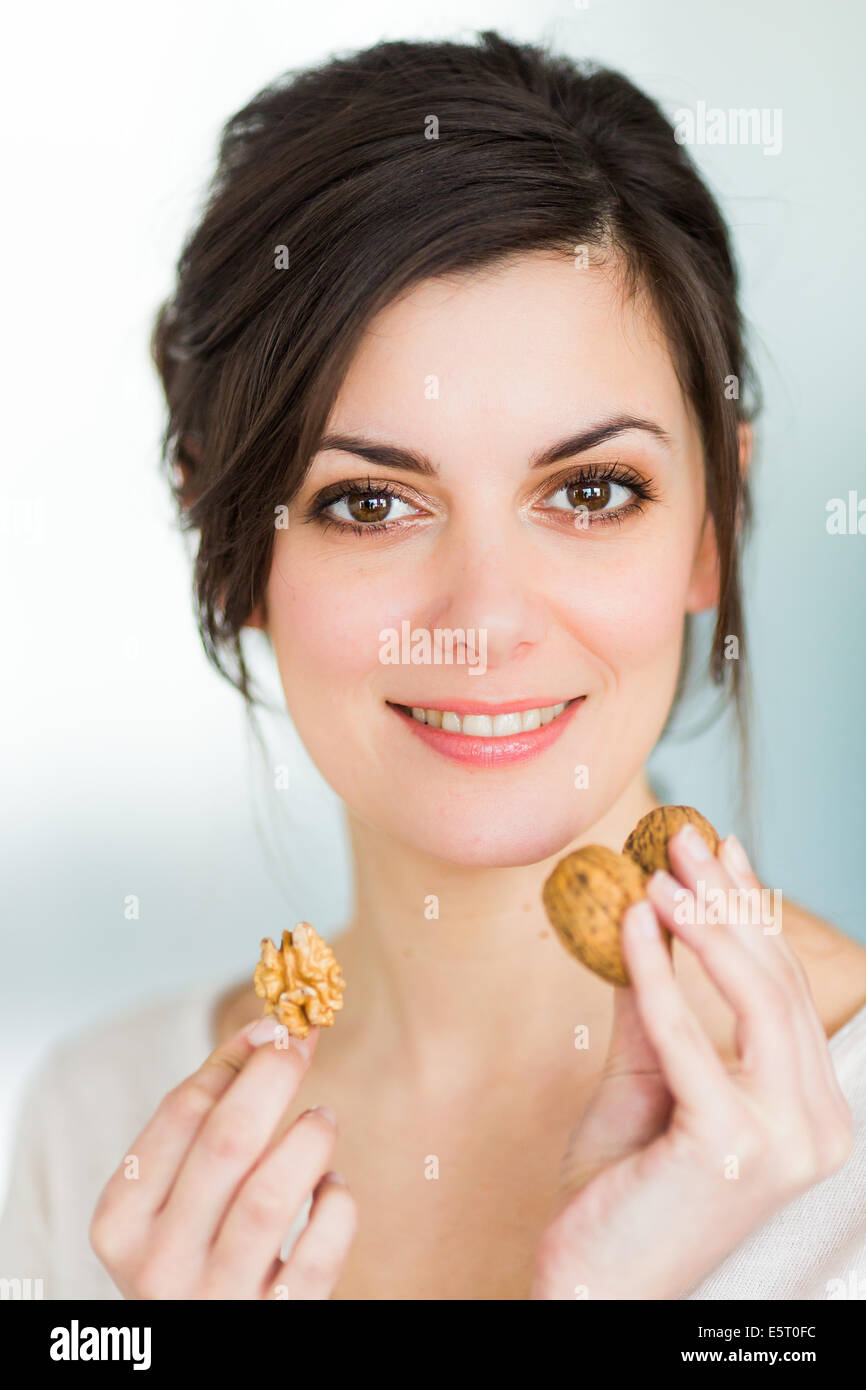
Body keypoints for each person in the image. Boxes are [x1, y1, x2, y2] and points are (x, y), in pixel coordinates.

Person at [2, 30, 865, 1301]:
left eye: (588, 490)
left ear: (711, 526)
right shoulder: (102, 1141)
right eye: (368, 503)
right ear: (233, 546)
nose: (481, 618)